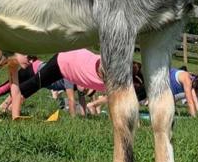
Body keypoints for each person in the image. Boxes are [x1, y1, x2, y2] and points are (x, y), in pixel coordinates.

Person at [8, 50, 146, 118]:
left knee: (35, 84)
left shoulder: (116, 85)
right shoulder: (107, 69)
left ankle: (8, 106)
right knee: (35, 84)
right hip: (63, 60)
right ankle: (7, 107)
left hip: (70, 67)